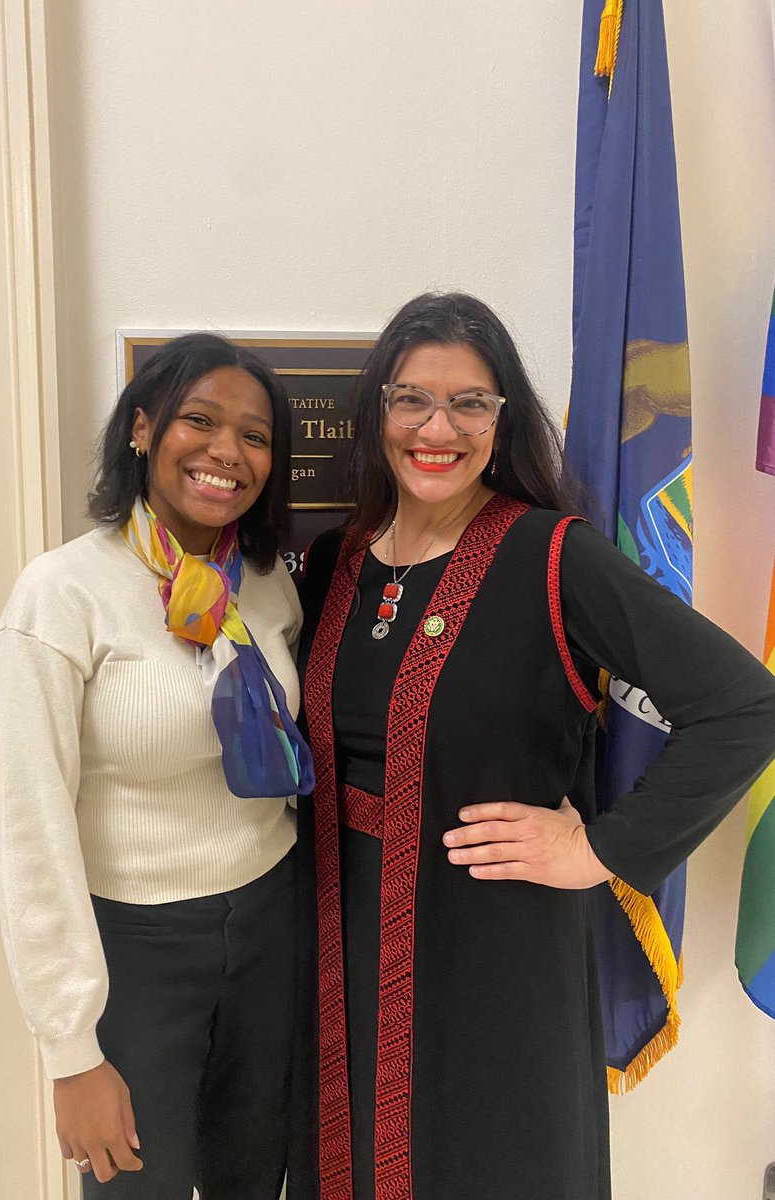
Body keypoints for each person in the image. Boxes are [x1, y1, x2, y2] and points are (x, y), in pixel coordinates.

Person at [290, 292, 775, 1200]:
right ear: (377, 411)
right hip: (342, 944)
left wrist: (598, 848)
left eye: (470, 402)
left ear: (503, 417)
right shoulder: (335, 563)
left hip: (492, 959)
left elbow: (744, 706)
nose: (440, 426)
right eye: (412, 399)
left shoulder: (553, 556)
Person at [0, 333, 313, 1197]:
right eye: (198, 422)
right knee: (137, 1187)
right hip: (135, 951)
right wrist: (70, 1048)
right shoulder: (61, 593)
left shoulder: (268, 583)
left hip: (274, 923)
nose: (225, 453)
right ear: (142, 429)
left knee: (255, 1179)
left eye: (254, 436)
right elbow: (31, 826)